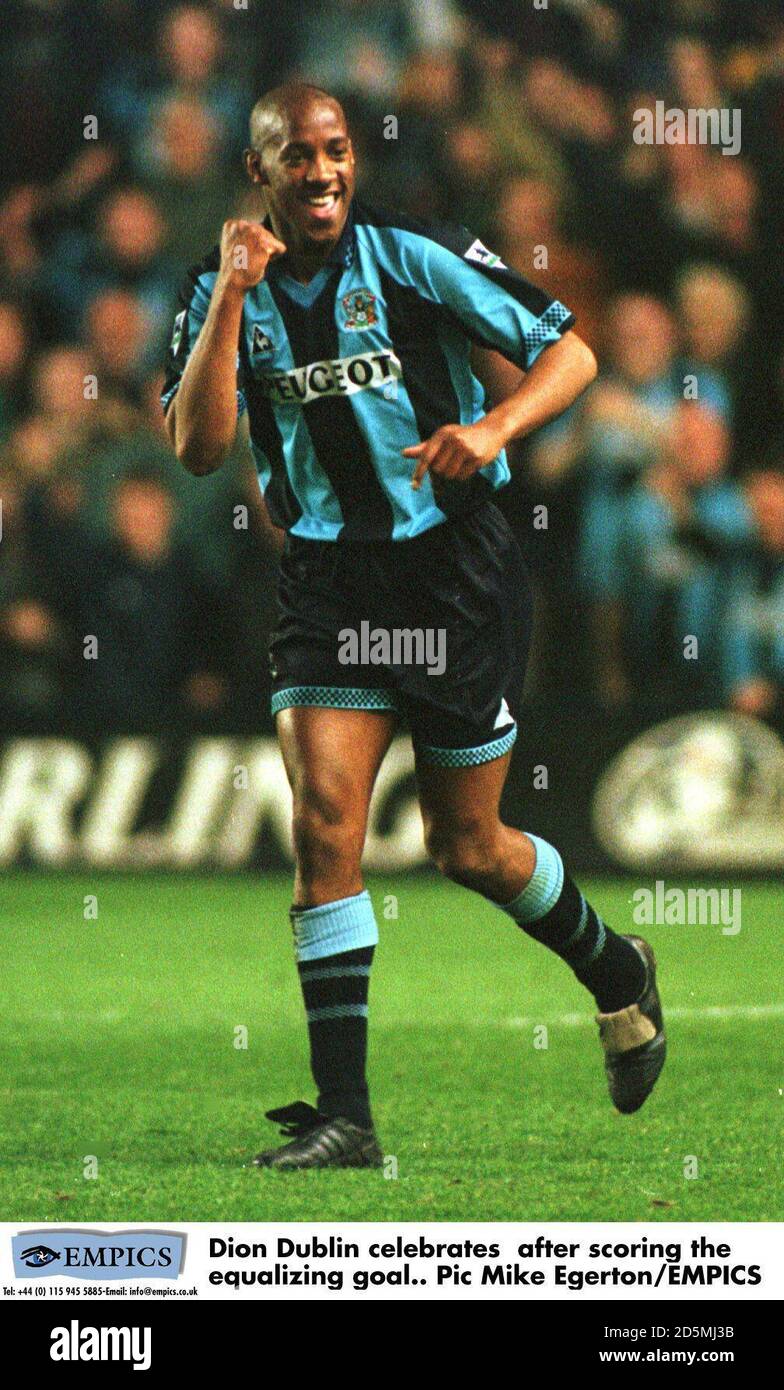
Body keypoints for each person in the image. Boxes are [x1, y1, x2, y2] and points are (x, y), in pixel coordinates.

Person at [162, 82, 666, 1170]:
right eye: (296, 156)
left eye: (334, 151)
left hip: (452, 579)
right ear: (259, 174)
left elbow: (569, 350)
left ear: (354, 159)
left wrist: (491, 427)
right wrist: (229, 304)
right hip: (329, 590)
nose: (320, 171)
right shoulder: (215, 289)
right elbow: (199, 448)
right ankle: (346, 1116)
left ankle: (616, 971)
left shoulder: (411, 255)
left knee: (467, 847)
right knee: (327, 823)